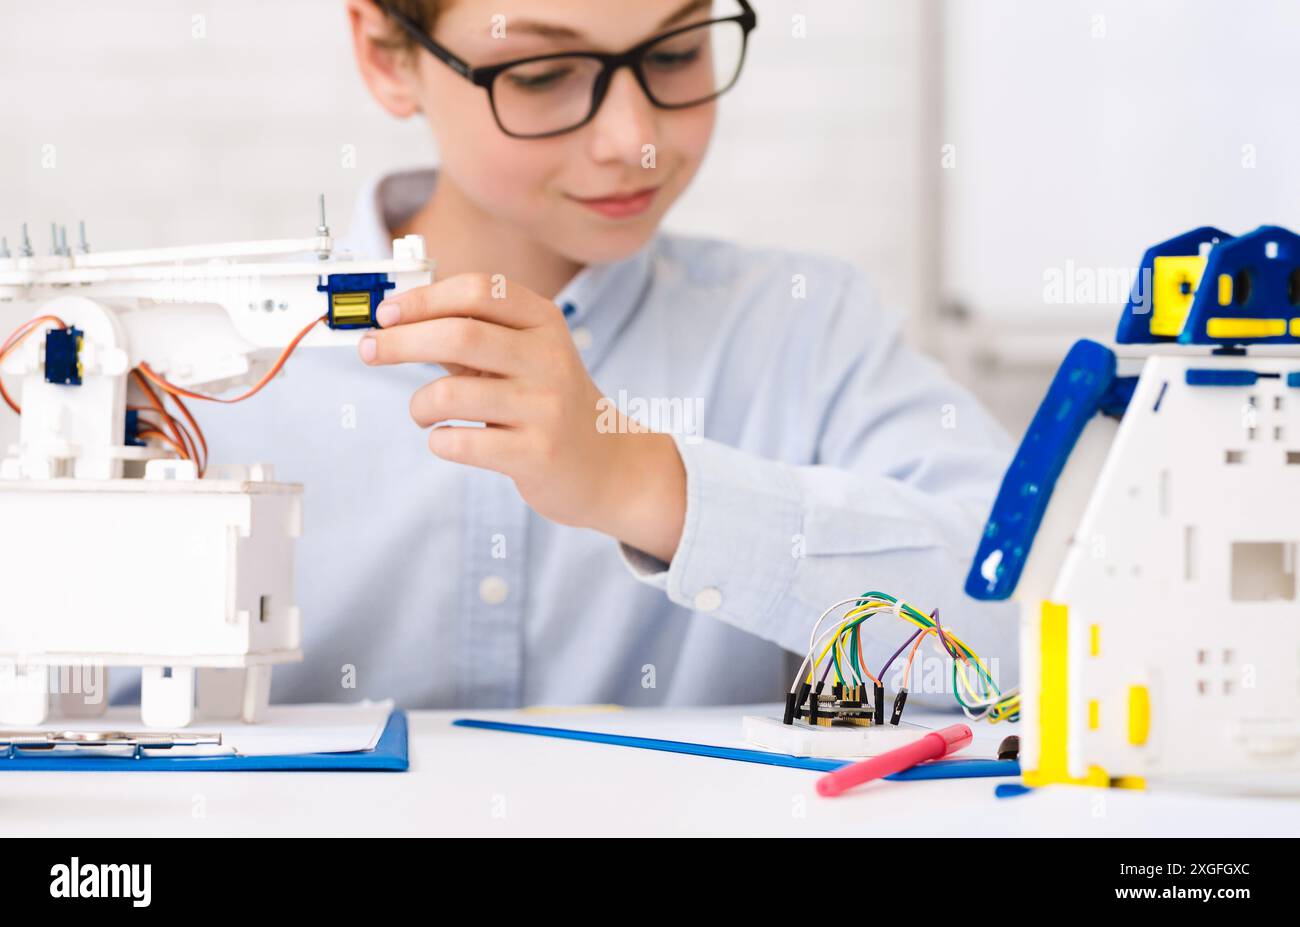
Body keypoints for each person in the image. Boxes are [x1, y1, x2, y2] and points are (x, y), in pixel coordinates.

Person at [117, 0, 1017, 710]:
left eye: (674, 54)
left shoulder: (804, 327)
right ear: (389, 54)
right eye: (543, 72)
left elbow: (1035, 617)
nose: (635, 139)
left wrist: (649, 484)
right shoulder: (197, 369)